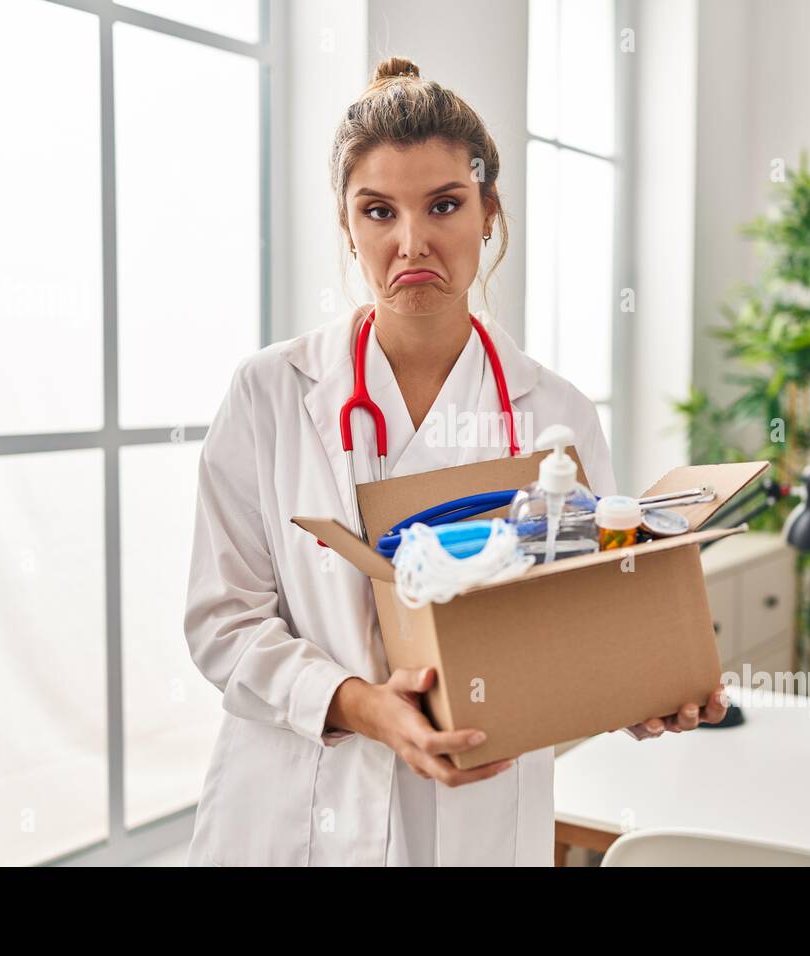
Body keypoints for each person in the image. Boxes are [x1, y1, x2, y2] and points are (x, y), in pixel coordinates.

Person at [183, 56, 726, 867]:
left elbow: (590, 613)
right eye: (378, 211)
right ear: (347, 224)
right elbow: (221, 623)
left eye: (444, 205)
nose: (412, 243)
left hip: (478, 816)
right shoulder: (269, 395)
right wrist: (364, 705)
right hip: (298, 812)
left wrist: (641, 688)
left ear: (487, 212)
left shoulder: (558, 416)